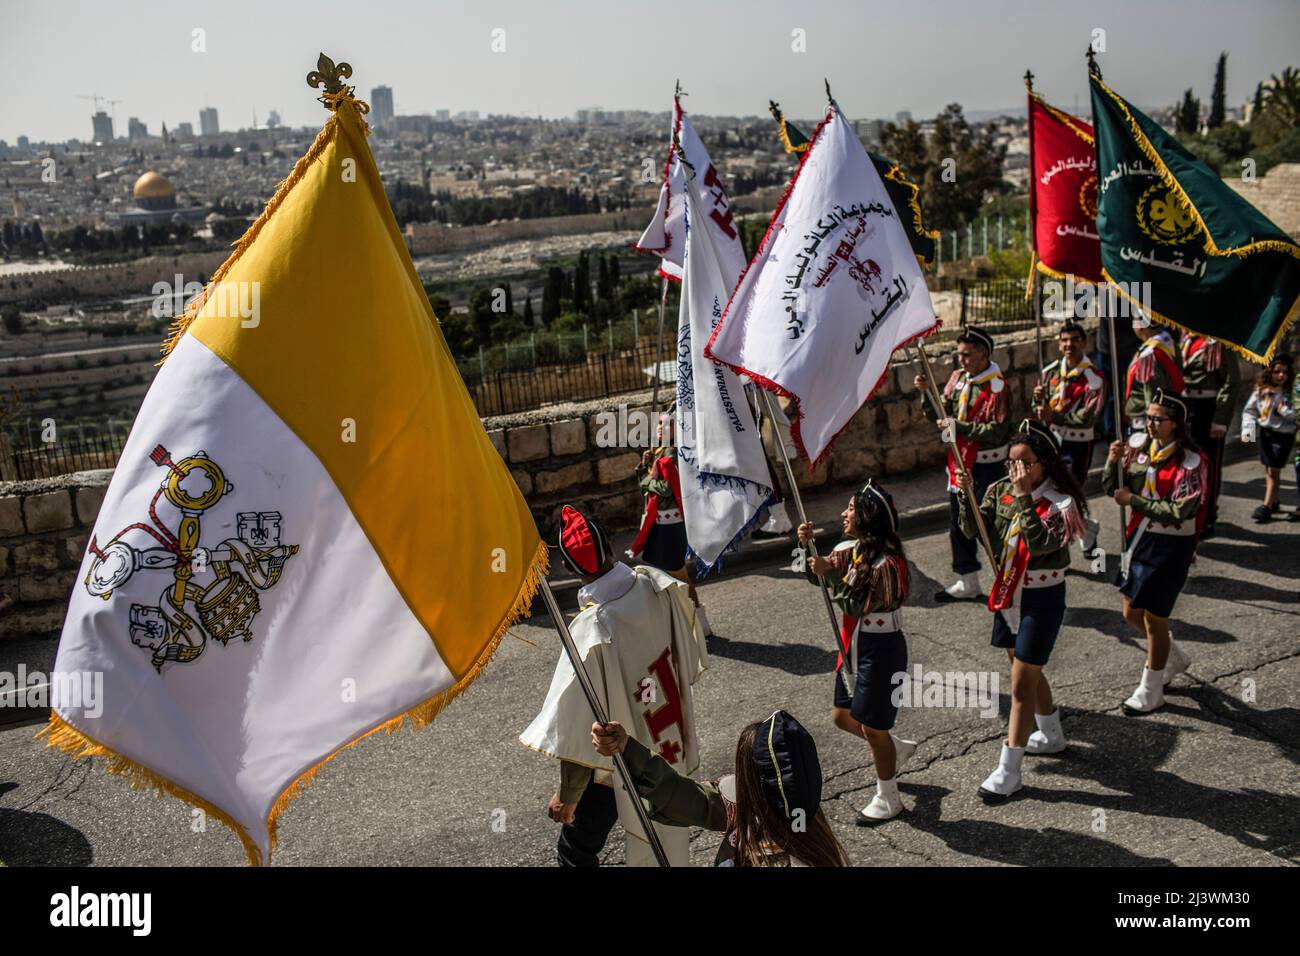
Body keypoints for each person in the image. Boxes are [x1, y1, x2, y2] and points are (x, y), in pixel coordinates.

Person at [520, 505, 708, 866]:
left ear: (567, 568)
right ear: (609, 545)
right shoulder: (654, 584)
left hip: (622, 759)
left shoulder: (592, 629)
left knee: (575, 851)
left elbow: (579, 720)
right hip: (669, 739)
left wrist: (569, 794)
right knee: (665, 840)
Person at [957, 420, 1088, 802]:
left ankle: (1008, 770)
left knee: (1019, 683)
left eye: (1024, 463)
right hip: (1009, 594)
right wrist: (967, 496)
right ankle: (1050, 732)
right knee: (1026, 669)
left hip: (1042, 598)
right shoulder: (999, 491)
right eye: (1011, 463)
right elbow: (973, 531)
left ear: (1044, 463)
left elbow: (1041, 543)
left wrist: (1026, 497)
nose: (1015, 471)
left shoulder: (1061, 502)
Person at [796, 479, 916, 824]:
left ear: (867, 516)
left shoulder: (887, 565)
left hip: (881, 648)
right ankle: (893, 748)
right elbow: (816, 575)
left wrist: (829, 575)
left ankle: (888, 796)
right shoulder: (853, 549)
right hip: (855, 643)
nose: (843, 513)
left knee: (873, 729)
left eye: (850, 508)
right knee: (841, 715)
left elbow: (857, 602)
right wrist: (807, 548)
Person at [589, 709, 849, 866]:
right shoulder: (784, 810)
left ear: (753, 782)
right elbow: (684, 796)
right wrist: (627, 749)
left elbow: (679, 796)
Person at [1103, 389, 1206, 714]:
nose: (1149, 424)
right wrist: (1112, 460)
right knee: (1131, 612)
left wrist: (1134, 501)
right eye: (1147, 417)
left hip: (1170, 546)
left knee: (1154, 619)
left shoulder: (1191, 462)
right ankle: (1170, 656)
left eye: (1157, 419)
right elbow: (1113, 488)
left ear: (1175, 424)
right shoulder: (1139, 450)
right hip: (1139, 541)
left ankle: (1151, 689)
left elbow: (1181, 512)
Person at [916, 326, 1010, 601]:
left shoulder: (997, 386)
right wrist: (926, 394)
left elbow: (997, 430)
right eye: (959, 355)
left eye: (967, 355)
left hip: (987, 466)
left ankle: (1009, 575)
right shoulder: (958, 378)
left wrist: (960, 427)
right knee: (959, 523)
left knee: (987, 524)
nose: (961, 360)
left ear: (983, 354)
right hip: (959, 464)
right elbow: (942, 410)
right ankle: (968, 580)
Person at [631, 409, 711, 635]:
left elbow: (665, 488)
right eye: (659, 424)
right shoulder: (659, 452)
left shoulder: (674, 453)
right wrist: (643, 467)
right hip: (658, 524)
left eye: (666, 425)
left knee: (678, 574)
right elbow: (650, 485)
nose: (660, 428)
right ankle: (679, 620)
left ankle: (698, 621)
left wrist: (645, 479)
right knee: (659, 573)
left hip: (671, 526)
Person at [1033, 320, 1104, 554]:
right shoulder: (1050, 372)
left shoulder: (1093, 377)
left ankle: (1064, 542)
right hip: (1053, 441)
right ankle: (1085, 529)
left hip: (1078, 443)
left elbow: (1089, 416)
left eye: (1074, 340)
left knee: (1068, 493)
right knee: (1051, 491)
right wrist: (1038, 400)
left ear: (1083, 342)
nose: (1068, 345)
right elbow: (1041, 409)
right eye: (1064, 340)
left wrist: (1055, 415)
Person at [1180, 333, 1240, 537]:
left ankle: (1208, 516)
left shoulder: (1218, 342)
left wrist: (1220, 419)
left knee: (1209, 464)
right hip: (1187, 406)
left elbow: (1231, 381)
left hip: (1208, 408)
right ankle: (1191, 509)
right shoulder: (1185, 338)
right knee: (1188, 463)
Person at [1240, 354, 1296, 523]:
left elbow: (1295, 414)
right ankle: (1275, 500)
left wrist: (1284, 411)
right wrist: (1248, 432)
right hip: (1267, 433)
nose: (1281, 376)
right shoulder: (1261, 391)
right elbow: (1250, 411)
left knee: (1273, 470)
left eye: (1285, 372)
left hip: (1283, 435)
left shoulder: (1290, 393)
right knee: (1270, 469)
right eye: (1277, 371)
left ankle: (1266, 507)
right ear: (1269, 372)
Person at [1123, 320, 1184, 436]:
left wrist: (1150, 424)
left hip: (1146, 422)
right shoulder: (1169, 343)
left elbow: (1152, 396)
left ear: (1140, 327)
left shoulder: (1149, 356)